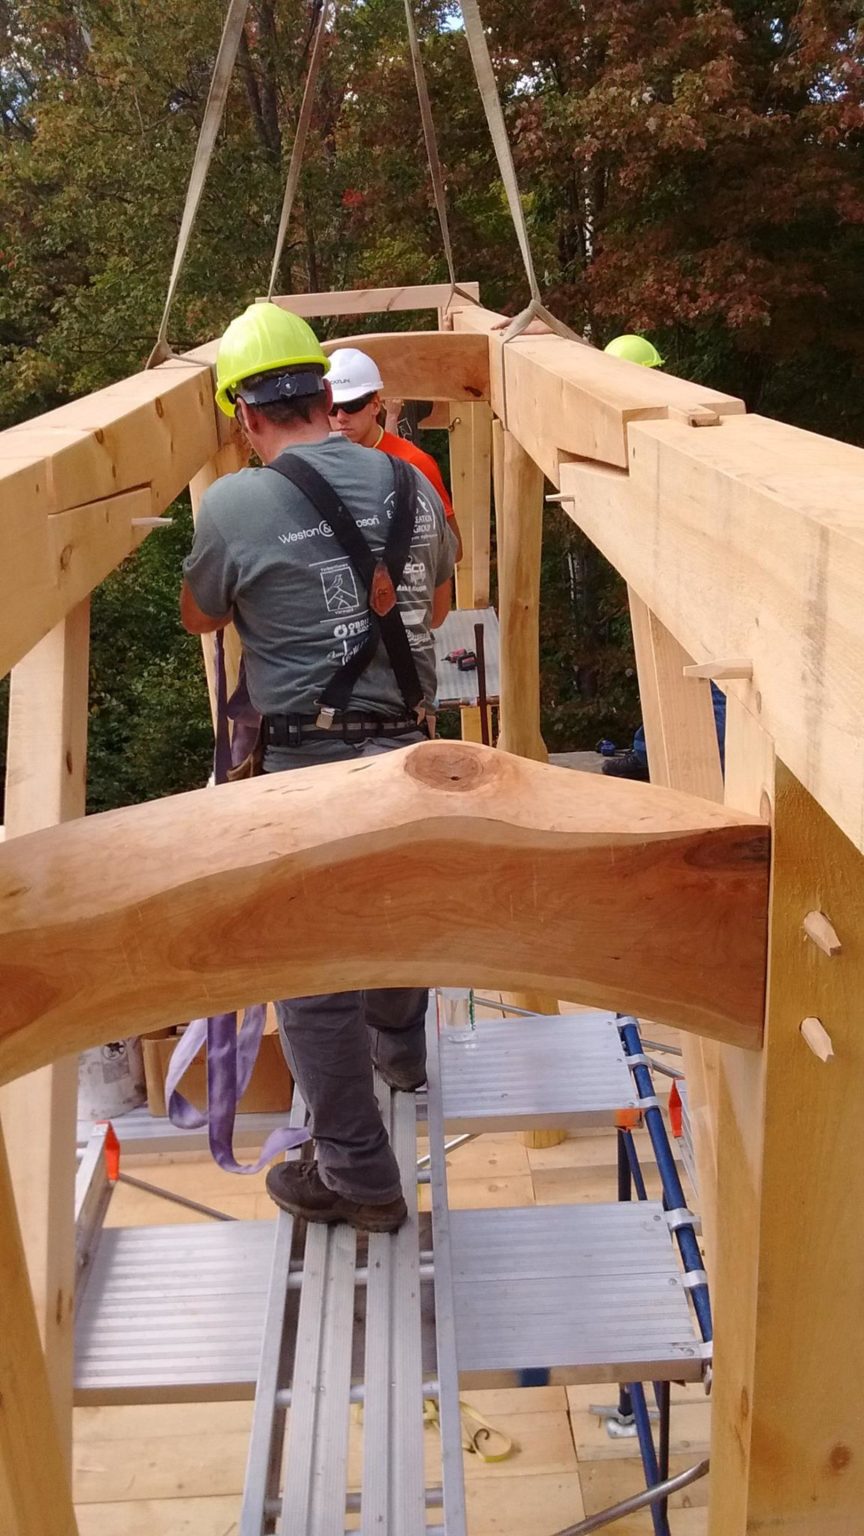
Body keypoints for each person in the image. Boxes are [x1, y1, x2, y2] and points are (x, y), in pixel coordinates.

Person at [180, 302, 457, 1234]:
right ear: (322, 394)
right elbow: (439, 601)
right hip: (416, 753)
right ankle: (401, 1054)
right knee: (401, 917)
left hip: (312, 764)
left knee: (312, 980)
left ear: (243, 414)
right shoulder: (412, 480)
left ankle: (360, 1180)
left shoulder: (234, 503)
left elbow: (201, 615)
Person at [327, 345, 463, 561]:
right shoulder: (325, 468)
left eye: (352, 405)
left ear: (375, 405)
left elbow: (453, 550)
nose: (341, 417)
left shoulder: (414, 463)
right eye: (332, 409)